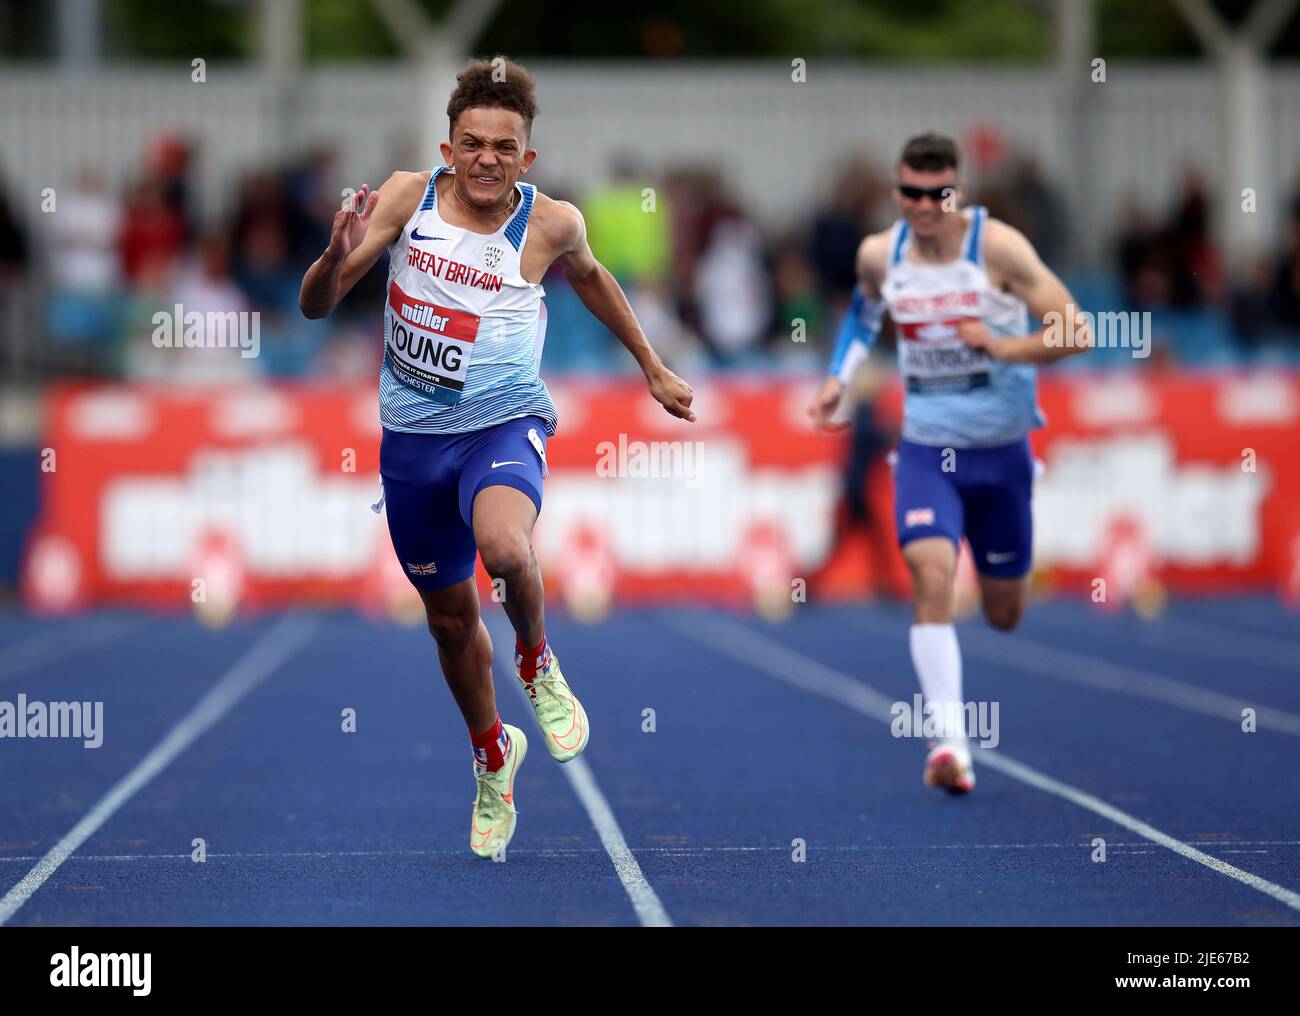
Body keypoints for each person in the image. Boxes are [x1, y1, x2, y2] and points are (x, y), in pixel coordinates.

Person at [299, 57, 694, 856]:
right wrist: (334, 256)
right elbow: (316, 306)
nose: (487, 158)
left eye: (504, 147)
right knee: (449, 624)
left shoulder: (549, 224)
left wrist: (651, 364)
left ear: (527, 158)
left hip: (503, 427)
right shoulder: (407, 198)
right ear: (448, 148)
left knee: (507, 548)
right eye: (472, 143)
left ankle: (538, 662)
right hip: (412, 446)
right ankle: (492, 757)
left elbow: (595, 281)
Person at [808, 132, 1090, 793]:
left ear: (956, 192)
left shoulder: (999, 249)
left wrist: (1000, 346)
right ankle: (951, 748)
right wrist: (837, 379)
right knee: (930, 576)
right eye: (910, 193)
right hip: (928, 451)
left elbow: (1075, 329)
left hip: (1002, 454)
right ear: (896, 191)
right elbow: (861, 316)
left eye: (937, 195)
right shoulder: (881, 254)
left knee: (1003, 612)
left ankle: (1005, 578)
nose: (924, 206)